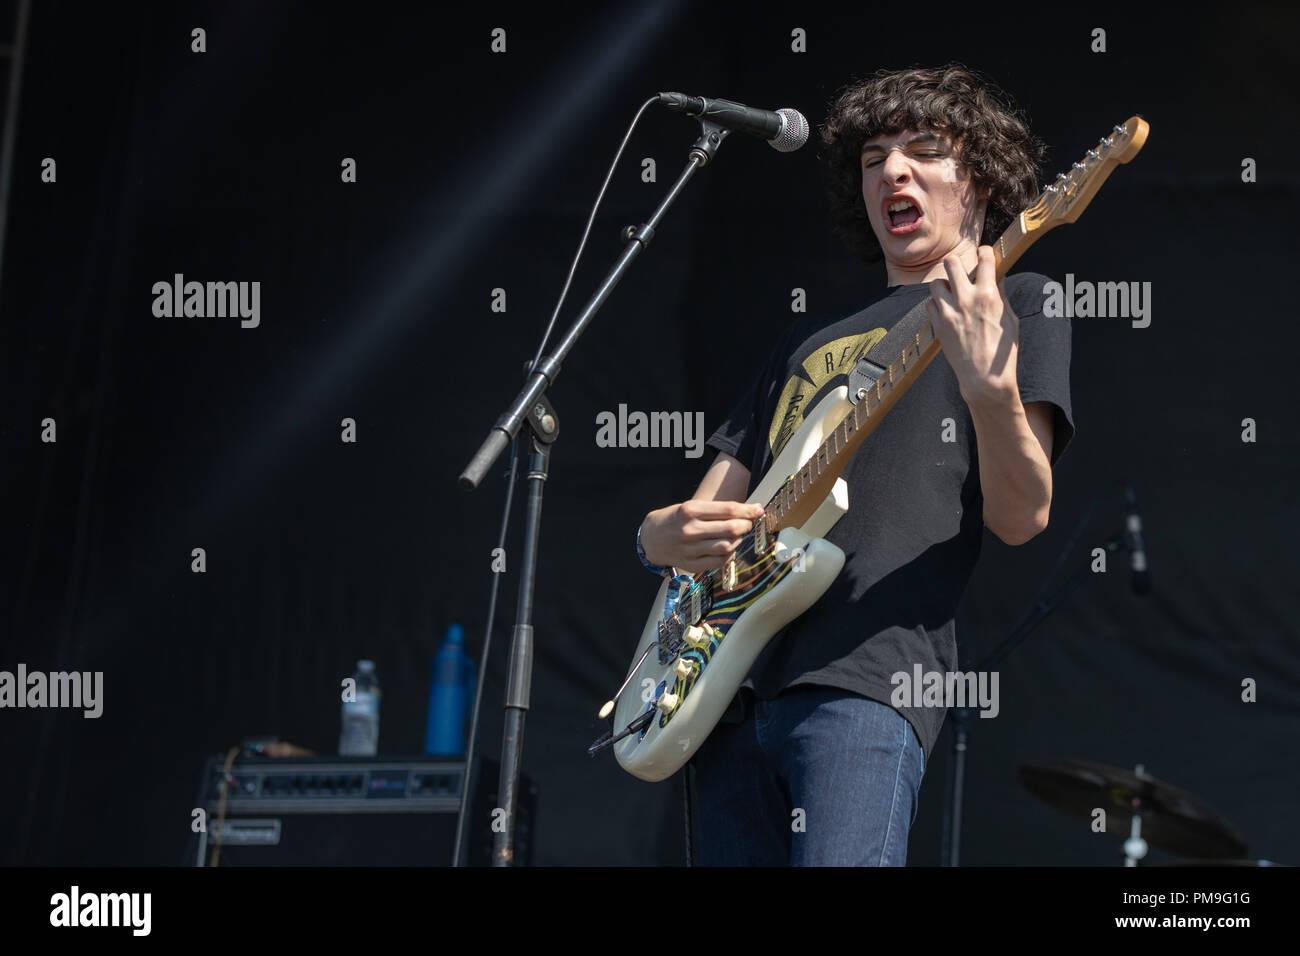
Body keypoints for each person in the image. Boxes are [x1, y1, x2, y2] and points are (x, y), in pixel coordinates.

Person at [635, 64, 1075, 866]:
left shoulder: (1020, 299)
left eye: (924, 152)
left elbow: (1023, 516)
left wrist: (989, 390)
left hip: (867, 677)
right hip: (723, 690)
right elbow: (707, 518)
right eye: (874, 160)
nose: (893, 172)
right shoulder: (806, 339)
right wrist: (656, 537)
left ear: (979, 179)